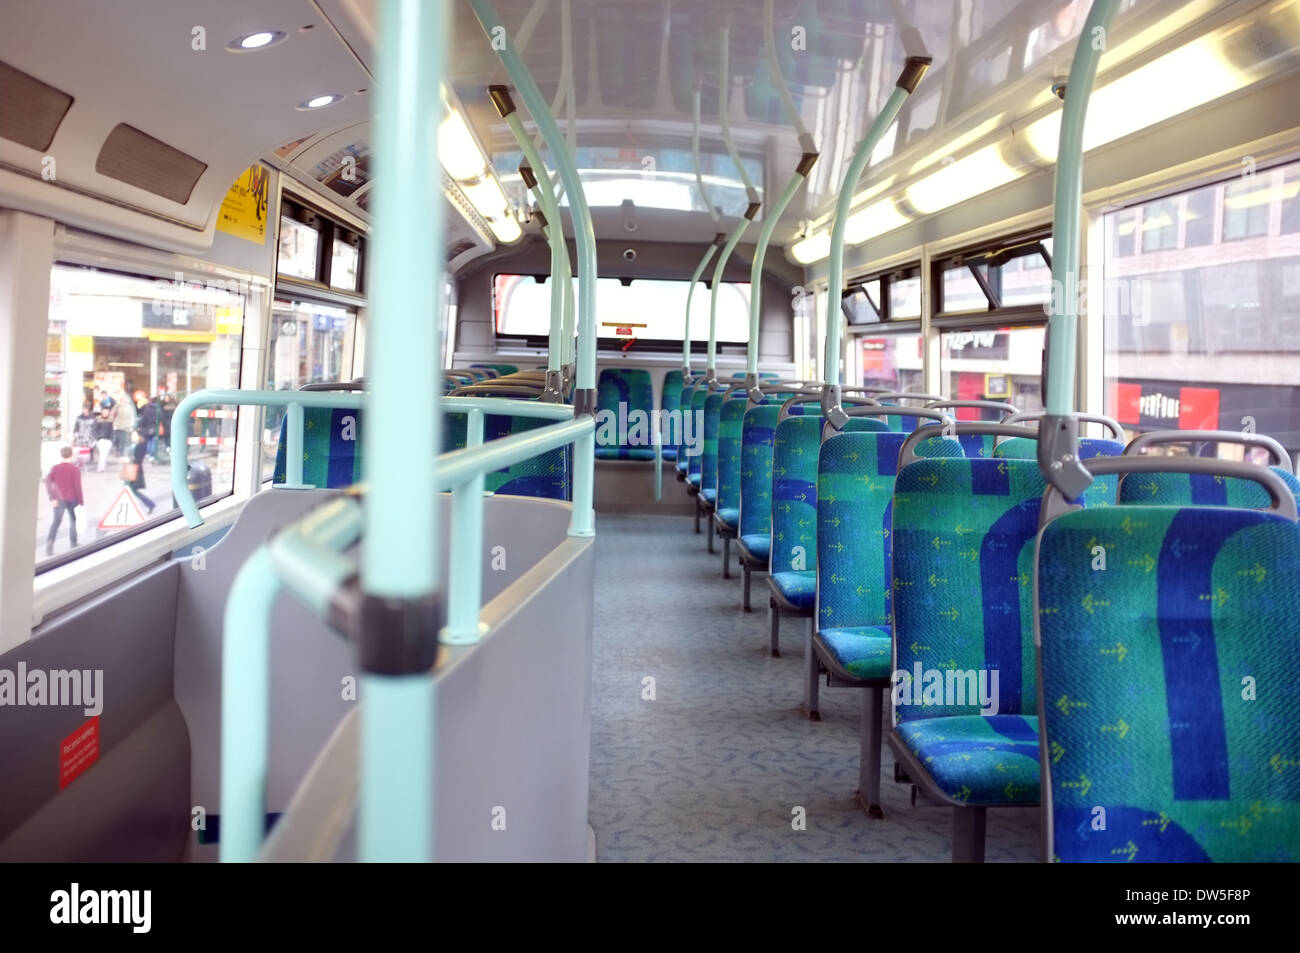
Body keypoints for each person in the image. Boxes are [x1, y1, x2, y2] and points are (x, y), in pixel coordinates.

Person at [45, 446, 84, 556]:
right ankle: (73, 542)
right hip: (72, 498)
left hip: (58, 498)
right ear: (71, 455)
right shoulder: (75, 469)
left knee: (56, 522)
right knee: (73, 520)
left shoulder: (55, 468)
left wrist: (51, 498)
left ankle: (50, 543)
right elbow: (77, 487)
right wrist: (80, 501)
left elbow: (48, 483)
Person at [125, 430, 156, 514]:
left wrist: (129, 459)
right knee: (129, 489)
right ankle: (148, 504)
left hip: (136, 470)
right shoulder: (132, 446)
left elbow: (138, 459)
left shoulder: (141, 445)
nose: (132, 437)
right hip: (130, 469)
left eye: (134, 435)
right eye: (132, 436)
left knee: (131, 489)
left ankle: (150, 504)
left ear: (139, 436)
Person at [110, 389, 135, 455]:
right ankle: (118, 449)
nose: (124, 402)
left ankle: (121, 452)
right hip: (117, 425)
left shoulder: (130, 408)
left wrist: (131, 426)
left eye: (125, 401)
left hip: (126, 426)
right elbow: (112, 413)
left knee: (123, 439)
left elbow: (131, 417)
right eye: (122, 400)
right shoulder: (118, 406)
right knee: (117, 439)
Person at [138, 392, 159, 461]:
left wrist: (140, 426)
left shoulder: (147, 409)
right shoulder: (158, 409)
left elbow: (143, 419)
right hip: (155, 427)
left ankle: (148, 453)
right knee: (153, 441)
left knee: (148, 440)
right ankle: (152, 455)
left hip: (147, 427)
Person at [94, 406, 114, 472]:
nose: (105, 413)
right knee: (102, 453)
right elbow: (94, 429)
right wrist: (97, 438)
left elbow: (112, 430)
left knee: (104, 454)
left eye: (107, 412)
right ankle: (100, 468)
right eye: (104, 411)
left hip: (108, 439)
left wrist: (111, 439)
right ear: (102, 412)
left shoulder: (111, 420)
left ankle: (102, 467)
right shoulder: (98, 419)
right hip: (101, 439)